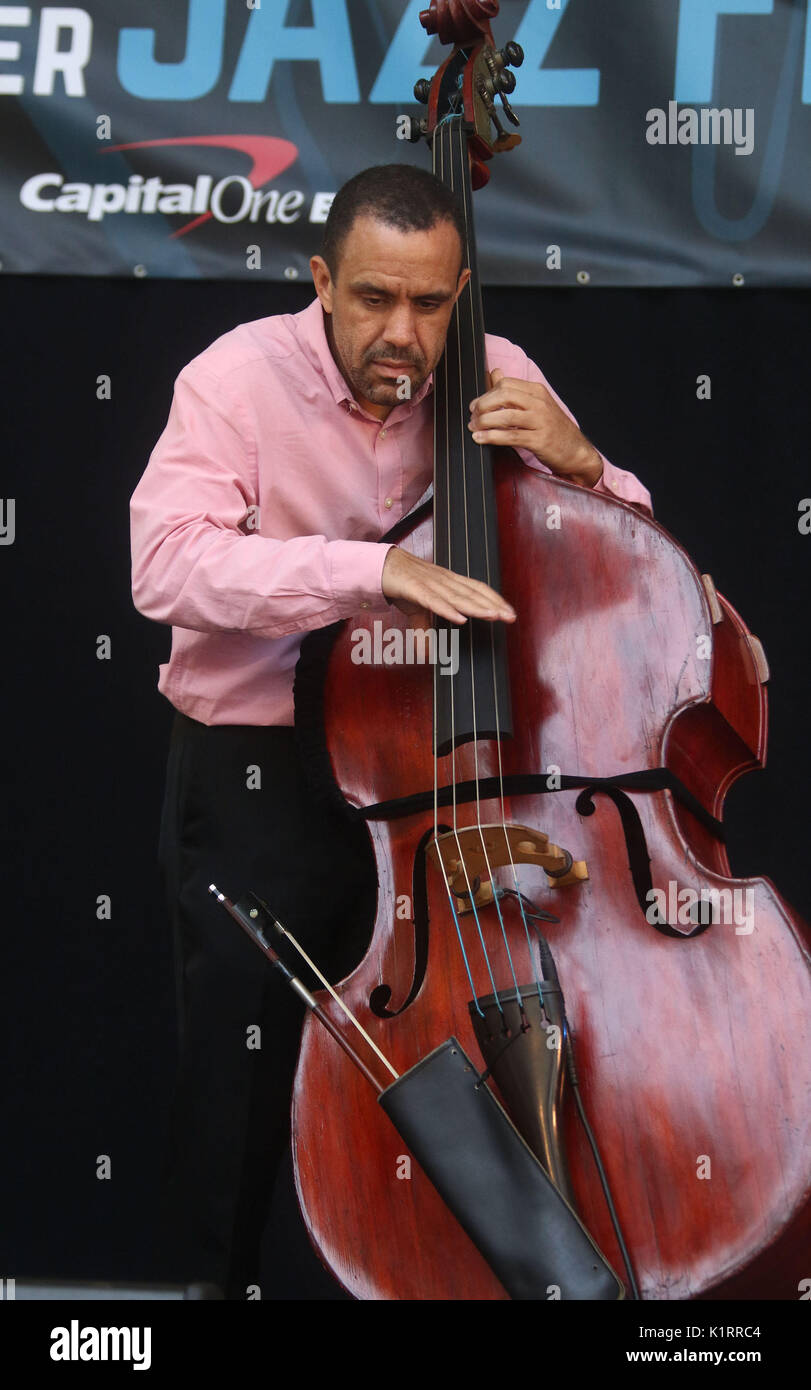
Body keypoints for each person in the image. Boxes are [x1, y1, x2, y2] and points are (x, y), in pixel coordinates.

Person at [129, 163, 652, 1300]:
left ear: (460, 293)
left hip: (446, 776)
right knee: (242, 1085)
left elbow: (623, 566)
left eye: (427, 303)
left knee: (499, 1051)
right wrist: (375, 573)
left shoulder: (499, 374)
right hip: (262, 778)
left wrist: (582, 464)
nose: (401, 333)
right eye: (371, 298)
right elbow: (164, 564)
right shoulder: (233, 381)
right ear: (320, 280)